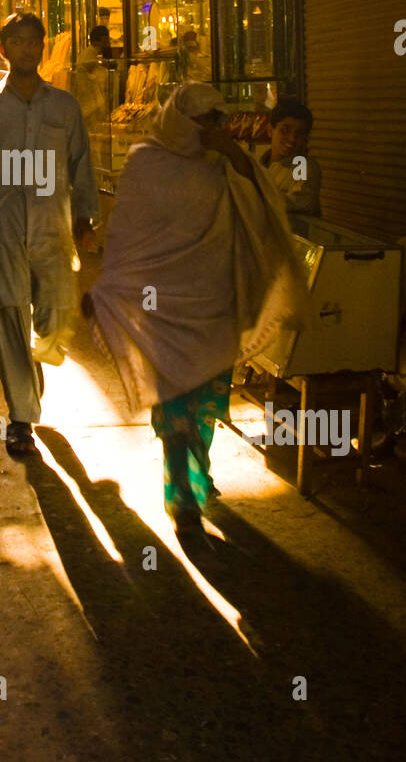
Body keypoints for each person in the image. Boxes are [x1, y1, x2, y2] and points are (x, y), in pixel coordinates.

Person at [83, 83, 309, 542]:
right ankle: (183, 499)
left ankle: (195, 476)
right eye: (201, 120)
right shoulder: (149, 163)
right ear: (179, 120)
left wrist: (234, 153)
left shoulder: (228, 164)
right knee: (175, 410)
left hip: (216, 306)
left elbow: (264, 207)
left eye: (216, 120)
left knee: (205, 405)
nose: (209, 129)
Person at [0, 12, 100, 455]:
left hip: (51, 226)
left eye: (35, 41)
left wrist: (85, 216)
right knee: (8, 314)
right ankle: (21, 417)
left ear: (42, 48)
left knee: (50, 318)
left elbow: (80, 163)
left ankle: (29, 380)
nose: (28, 49)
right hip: (0, 226)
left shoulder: (63, 106)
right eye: (19, 41)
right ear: (3, 48)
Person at [260, 99, 322, 218]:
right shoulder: (259, 164)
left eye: (299, 133)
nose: (292, 138)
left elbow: (300, 200)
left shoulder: (302, 165)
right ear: (270, 130)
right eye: (285, 130)